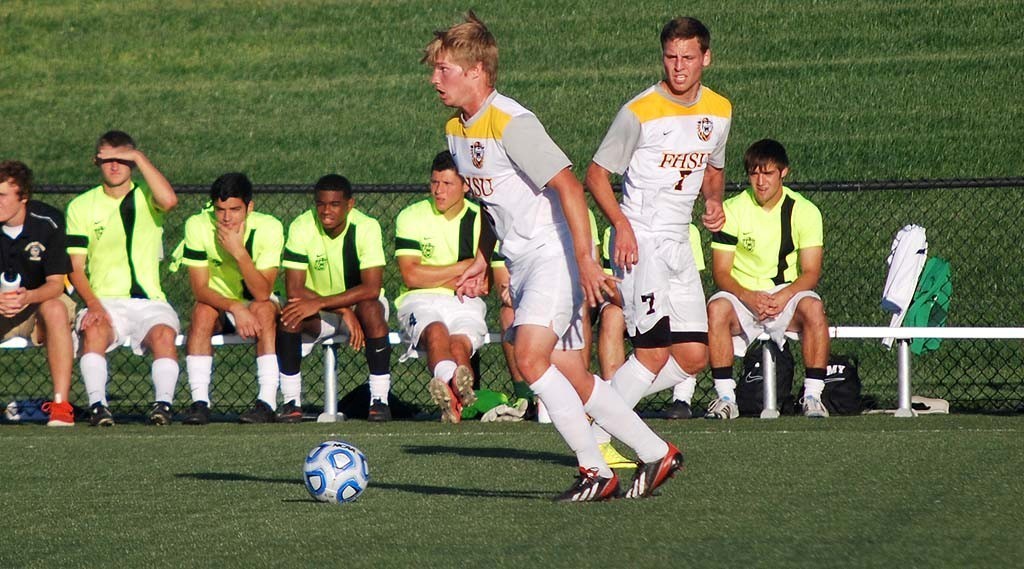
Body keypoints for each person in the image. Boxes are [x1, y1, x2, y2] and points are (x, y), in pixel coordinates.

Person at [424, 12, 682, 501]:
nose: (435, 79)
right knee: (572, 376)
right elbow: (488, 202)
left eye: (444, 69)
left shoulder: (513, 122)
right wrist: (483, 257)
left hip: (554, 256)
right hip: (522, 262)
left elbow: (569, 186)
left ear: (477, 70)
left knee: (528, 356)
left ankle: (595, 470)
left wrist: (585, 261)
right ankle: (655, 453)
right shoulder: (455, 130)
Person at [586, 17, 730, 432]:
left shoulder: (719, 111)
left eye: (687, 57)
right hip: (640, 240)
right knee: (650, 353)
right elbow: (596, 176)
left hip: (680, 241)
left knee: (692, 357)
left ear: (706, 58)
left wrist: (714, 200)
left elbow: (713, 169)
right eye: (670, 57)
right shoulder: (638, 111)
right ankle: (599, 435)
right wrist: (622, 226)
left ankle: (603, 402)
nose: (678, 66)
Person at [706, 138, 831, 418]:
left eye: (768, 173)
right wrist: (749, 296)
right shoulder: (732, 210)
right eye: (754, 173)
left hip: (784, 294)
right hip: (742, 295)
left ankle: (812, 396)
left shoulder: (806, 211)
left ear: (784, 172)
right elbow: (721, 273)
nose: (761, 181)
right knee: (716, 308)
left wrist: (782, 296)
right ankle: (726, 398)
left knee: (813, 307)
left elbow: (811, 272)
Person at [66, 131, 180, 426]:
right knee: (93, 331)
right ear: (96, 162)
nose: (115, 166)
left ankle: (163, 406)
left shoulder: (145, 195)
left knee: (164, 334)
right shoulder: (81, 206)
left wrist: (140, 158)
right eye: (107, 160)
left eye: (122, 159)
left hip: (149, 300)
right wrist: (93, 304)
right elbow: (75, 266)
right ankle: (98, 406)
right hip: (104, 299)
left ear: (132, 161)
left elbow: (169, 201)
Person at [277, 174, 390, 421]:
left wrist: (331, 305)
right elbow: (294, 289)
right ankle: (290, 402)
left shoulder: (367, 226)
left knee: (372, 309)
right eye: (321, 204)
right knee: (289, 314)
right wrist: (341, 310)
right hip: (326, 310)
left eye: (334, 204)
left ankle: (379, 400)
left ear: (350, 204)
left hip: (361, 307)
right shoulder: (301, 226)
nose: (326, 211)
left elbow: (371, 288)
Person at [176, 173, 284, 425]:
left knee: (265, 309)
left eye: (235, 209)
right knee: (202, 311)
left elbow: (261, 292)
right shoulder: (197, 225)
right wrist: (235, 307)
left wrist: (239, 253)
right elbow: (200, 289)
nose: (226, 218)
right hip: (221, 305)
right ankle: (200, 403)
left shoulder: (270, 227)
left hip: (257, 304)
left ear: (250, 207)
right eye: (220, 210)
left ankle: (266, 403)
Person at [394, 150, 488, 423]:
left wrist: (438, 274)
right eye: (435, 183)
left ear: (466, 185)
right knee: (436, 332)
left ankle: (453, 402)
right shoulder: (411, 216)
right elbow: (411, 276)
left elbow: (485, 282)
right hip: (419, 299)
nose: (438, 191)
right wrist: (464, 268)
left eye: (447, 184)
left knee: (458, 345)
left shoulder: (482, 218)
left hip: (464, 301)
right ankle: (460, 389)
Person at [0, 161, 77, 426]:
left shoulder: (48, 221)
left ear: (23, 197)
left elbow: (56, 283)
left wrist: (27, 297)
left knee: (56, 308)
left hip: (37, 307)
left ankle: (60, 405)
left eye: (1, 196)